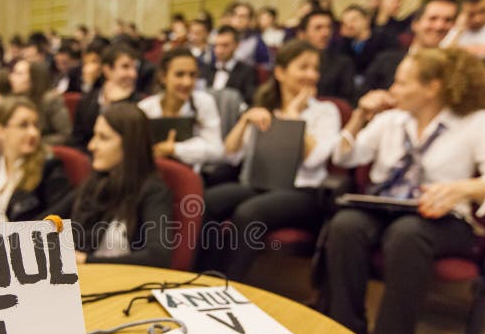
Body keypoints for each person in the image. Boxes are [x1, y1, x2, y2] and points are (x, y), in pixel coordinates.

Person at [320, 47, 485, 334]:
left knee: (407, 234)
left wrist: (464, 188)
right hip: (385, 207)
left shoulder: (475, 122)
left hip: (442, 218)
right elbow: (346, 158)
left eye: (401, 83)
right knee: (346, 224)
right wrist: (359, 115)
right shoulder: (390, 119)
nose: (393, 90)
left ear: (433, 87)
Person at [202, 40, 341, 280]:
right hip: (260, 184)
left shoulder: (326, 111)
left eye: (315, 69)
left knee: (249, 213)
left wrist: (293, 116)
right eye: (304, 67)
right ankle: (202, 275)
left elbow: (313, 160)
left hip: (304, 192)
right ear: (280, 72)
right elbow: (230, 154)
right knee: (207, 202)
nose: (311, 75)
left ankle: (226, 287)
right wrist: (245, 120)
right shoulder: (265, 108)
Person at [54, 102, 172, 267]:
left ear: (129, 145)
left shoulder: (153, 191)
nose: (92, 145)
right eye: (95, 136)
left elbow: (158, 256)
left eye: (103, 138)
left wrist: (87, 261)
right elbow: (45, 223)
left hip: (123, 284)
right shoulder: (96, 181)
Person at [138, 47, 223, 171]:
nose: (187, 82)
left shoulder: (203, 102)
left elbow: (217, 150)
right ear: (163, 77)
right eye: (179, 74)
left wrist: (174, 149)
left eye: (192, 75)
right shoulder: (145, 109)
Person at [360, 0, 458, 96]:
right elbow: (360, 99)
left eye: (448, 20)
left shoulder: (452, 67)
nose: (439, 26)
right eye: (432, 19)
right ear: (415, 24)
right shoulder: (385, 60)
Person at [68, 43, 143, 151]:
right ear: (107, 69)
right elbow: (77, 141)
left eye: (134, 68)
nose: (133, 74)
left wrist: (120, 102)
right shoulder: (87, 101)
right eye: (125, 67)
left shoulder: (140, 103)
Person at [9, 58, 72, 144]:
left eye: (18, 74)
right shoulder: (16, 100)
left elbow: (65, 135)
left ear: (33, 78)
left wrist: (34, 141)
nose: (11, 78)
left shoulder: (51, 100)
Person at [298, 10, 356, 103]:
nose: (325, 33)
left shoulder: (343, 63)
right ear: (303, 34)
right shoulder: (291, 62)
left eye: (329, 28)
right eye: (318, 28)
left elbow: (348, 102)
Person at [201, 25, 258, 105]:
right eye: (216, 45)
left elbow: (249, 100)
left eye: (225, 45)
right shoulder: (207, 69)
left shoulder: (247, 71)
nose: (219, 50)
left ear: (237, 45)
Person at [340, 5, 399, 76]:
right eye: (345, 22)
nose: (349, 25)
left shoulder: (384, 39)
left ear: (367, 20)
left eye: (354, 20)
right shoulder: (345, 44)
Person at [228, 1, 270, 66]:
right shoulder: (222, 36)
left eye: (242, 16)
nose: (238, 19)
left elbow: (266, 64)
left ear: (250, 21)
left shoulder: (256, 40)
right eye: (235, 15)